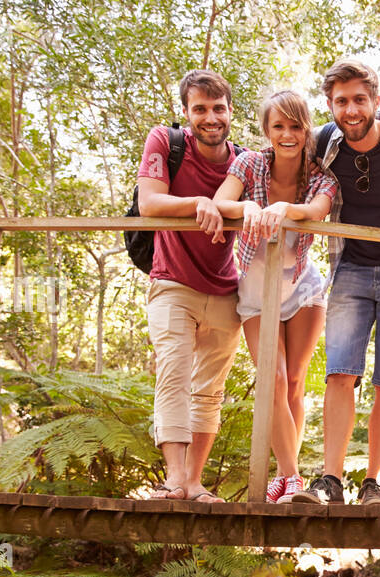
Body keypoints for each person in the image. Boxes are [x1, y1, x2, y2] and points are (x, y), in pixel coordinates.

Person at [292, 58, 380, 506]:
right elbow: (277, 161)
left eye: (359, 100)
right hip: (348, 268)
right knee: (340, 374)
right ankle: (330, 480)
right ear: (330, 105)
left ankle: (372, 483)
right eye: (340, 102)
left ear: (376, 101)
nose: (350, 110)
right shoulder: (322, 143)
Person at [212, 90, 337, 503]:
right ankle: (294, 476)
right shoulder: (248, 163)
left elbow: (317, 210)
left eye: (295, 126)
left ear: (306, 130)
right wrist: (247, 206)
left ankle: (285, 482)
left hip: (301, 286)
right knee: (274, 380)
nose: (287, 134)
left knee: (295, 383)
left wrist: (283, 208)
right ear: (267, 131)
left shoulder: (320, 174)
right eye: (278, 126)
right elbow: (221, 203)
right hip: (255, 288)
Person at [136, 69, 246, 503]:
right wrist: (200, 202)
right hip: (172, 282)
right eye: (200, 109)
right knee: (173, 375)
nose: (210, 117)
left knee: (209, 390)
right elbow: (149, 203)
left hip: (225, 289)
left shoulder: (243, 159)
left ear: (230, 112)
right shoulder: (166, 142)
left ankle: (195, 482)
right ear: (185, 113)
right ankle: (175, 481)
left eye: (218, 108)